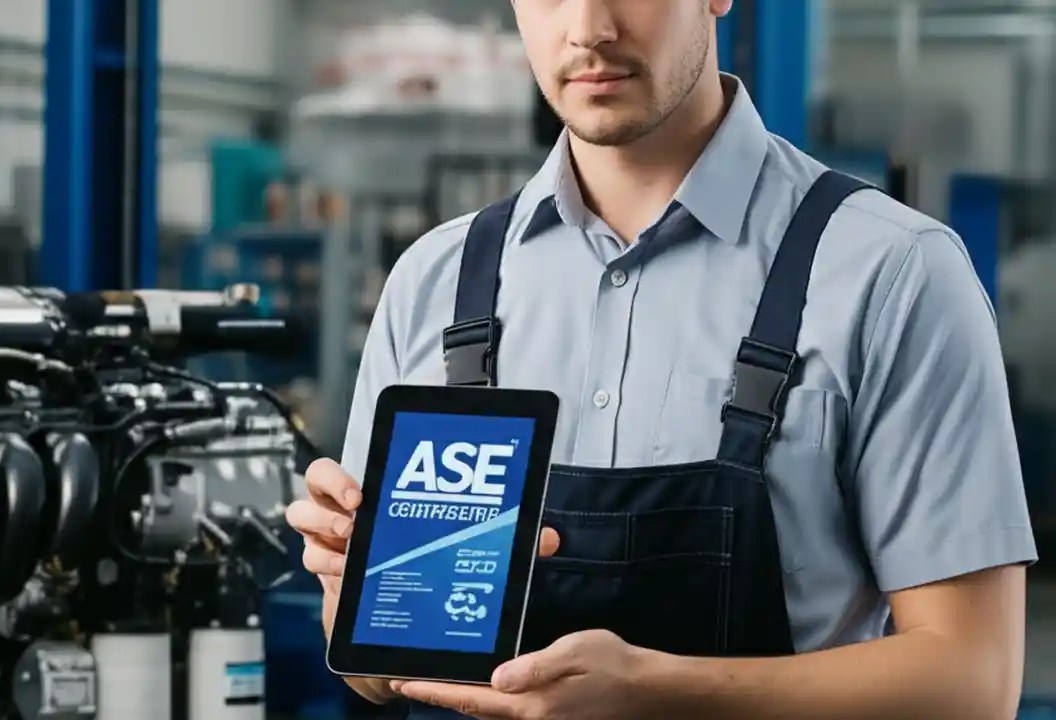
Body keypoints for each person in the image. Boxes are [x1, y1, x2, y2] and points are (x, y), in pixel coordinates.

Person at [286, 1, 1038, 718]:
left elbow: (971, 683)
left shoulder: (891, 273)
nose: (588, 28)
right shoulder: (436, 280)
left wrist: (659, 692)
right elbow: (375, 670)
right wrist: (350, 587)